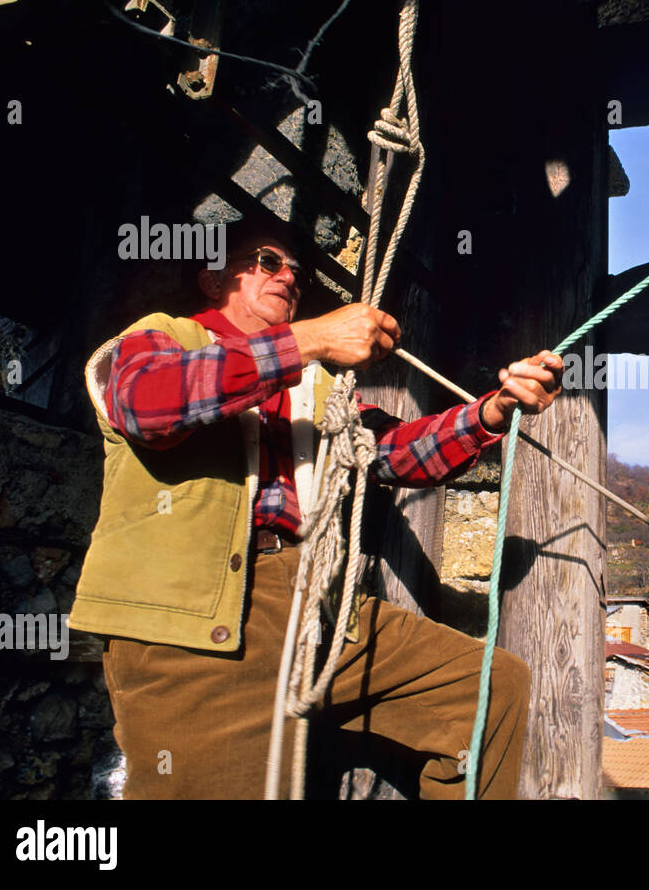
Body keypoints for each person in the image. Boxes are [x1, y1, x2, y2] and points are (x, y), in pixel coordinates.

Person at [69, 223, 562, 799]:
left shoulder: (317, 387)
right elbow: (149, 406)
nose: (288, 277)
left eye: (296, 272)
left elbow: (397, 454)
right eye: (266, 261)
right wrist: (310, 339)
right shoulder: (161, 336)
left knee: (488, 688)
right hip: (193, 622)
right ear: (210, 279)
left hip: (317, 609)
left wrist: (493, 412)